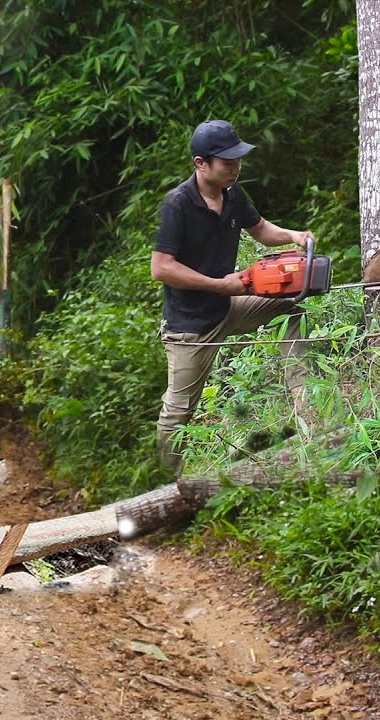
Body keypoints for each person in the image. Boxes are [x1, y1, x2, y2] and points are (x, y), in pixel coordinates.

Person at [150, 119, 312, 476]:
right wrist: (218, 285)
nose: (236, 168)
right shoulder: (177, 204)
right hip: (190, 326)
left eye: (238, 160)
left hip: (228, 306)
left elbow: (261, 229)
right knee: (178, 411)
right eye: (227, 162)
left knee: (290, 309)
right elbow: (161, 268)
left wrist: (293, 235)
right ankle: (167, 481)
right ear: (201, 163)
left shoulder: (232, 193)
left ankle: (307, 406)